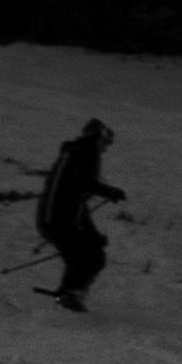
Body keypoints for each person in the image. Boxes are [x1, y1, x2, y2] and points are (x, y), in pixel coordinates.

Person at [36, 116, 121, 309]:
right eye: (105, 143)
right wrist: (108, 191)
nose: (105, 148)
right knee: (87, 257)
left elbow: (79, 203)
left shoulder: (77, 153)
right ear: (97, 138)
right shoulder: (83, 153)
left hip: (55, 220)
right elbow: (83, 185)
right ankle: (70, 297)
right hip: (56, 220)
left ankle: (70, 295)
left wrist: (94, 235)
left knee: (90, 256)